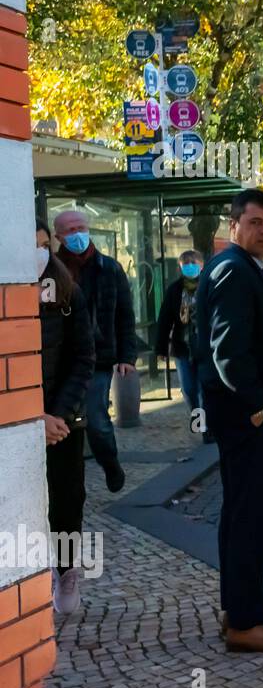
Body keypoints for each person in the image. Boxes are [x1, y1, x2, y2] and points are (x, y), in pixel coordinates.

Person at [193, 189, 263, 653]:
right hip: (247, 420)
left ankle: (244, 605)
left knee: (241, 514)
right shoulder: (233, 272)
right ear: (234, 223)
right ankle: (245, 624)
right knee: (250, 518)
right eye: (255, 222)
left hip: (244, 419)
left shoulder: (239, 268)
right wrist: (258, 406)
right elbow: (228, 350)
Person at [52, 210, 136, 493]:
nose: (77, 234)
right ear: (59, 236)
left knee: (96, 420)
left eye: (81, 227)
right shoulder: (53, 270)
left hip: (99, 357)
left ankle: (110, 463)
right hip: (63, 357)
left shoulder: (109, 268)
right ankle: (70, 483)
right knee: (66, 420)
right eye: (70, 230)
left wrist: (127, 356)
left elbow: (125, 314)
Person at [36, 219, 96, 614]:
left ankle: (67, 569)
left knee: (67, 499)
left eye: (43, 245)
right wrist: (30, 417)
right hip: (19, 422)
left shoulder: (68, 293)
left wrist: (56, 415)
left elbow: (83, 357)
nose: (37, 253)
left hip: (63, 423)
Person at [155, 250, 208, 436]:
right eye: (186, 264)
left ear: (201, 265)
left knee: (203, 388)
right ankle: (197, 416)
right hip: (182, 347)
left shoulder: (209, 285)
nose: (190, 266)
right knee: (188, 388)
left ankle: (203, 427)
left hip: (205, 346)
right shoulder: (175, 290)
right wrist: (161, 347)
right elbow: (165, 319)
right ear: (180, 267)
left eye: (193, 263)